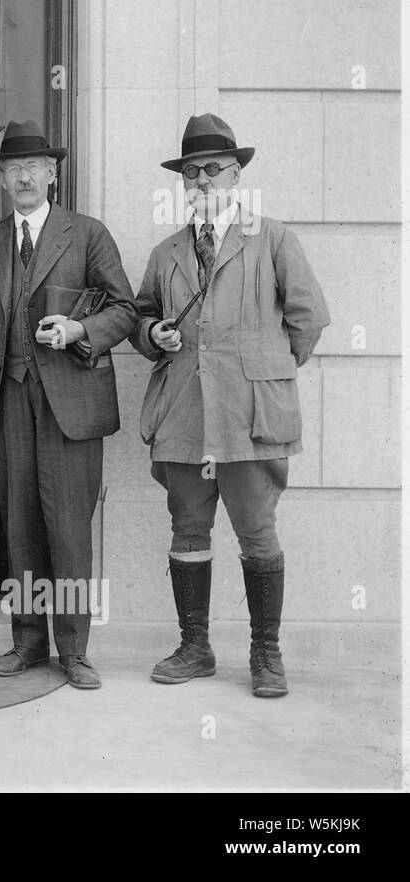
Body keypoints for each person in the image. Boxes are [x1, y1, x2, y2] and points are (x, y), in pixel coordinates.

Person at [131, 113, 329, 698]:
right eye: (191, 174)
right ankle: (195, 648)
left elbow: (308, 318)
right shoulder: (166, 251)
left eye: (213, 171)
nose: (202, 183)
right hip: (185, 415)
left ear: (237, 174)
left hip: (250, 418)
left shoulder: (273, 238)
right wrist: (153, 336)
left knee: (257, 531)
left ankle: (266, 654)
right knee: (188, 528)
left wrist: (263, 370)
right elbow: (142, 314)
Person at [0, 120, 137, 689]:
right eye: (12, 169)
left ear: (52, 173)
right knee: (20, 528)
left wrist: (78, 329)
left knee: (68, 529)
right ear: (0, 179)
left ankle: (75, 650)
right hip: (7, 400)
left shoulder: (86, 233)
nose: (23, 177)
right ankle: (26, 642)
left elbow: (125, 311)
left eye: (33, 167)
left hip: (70, 404)